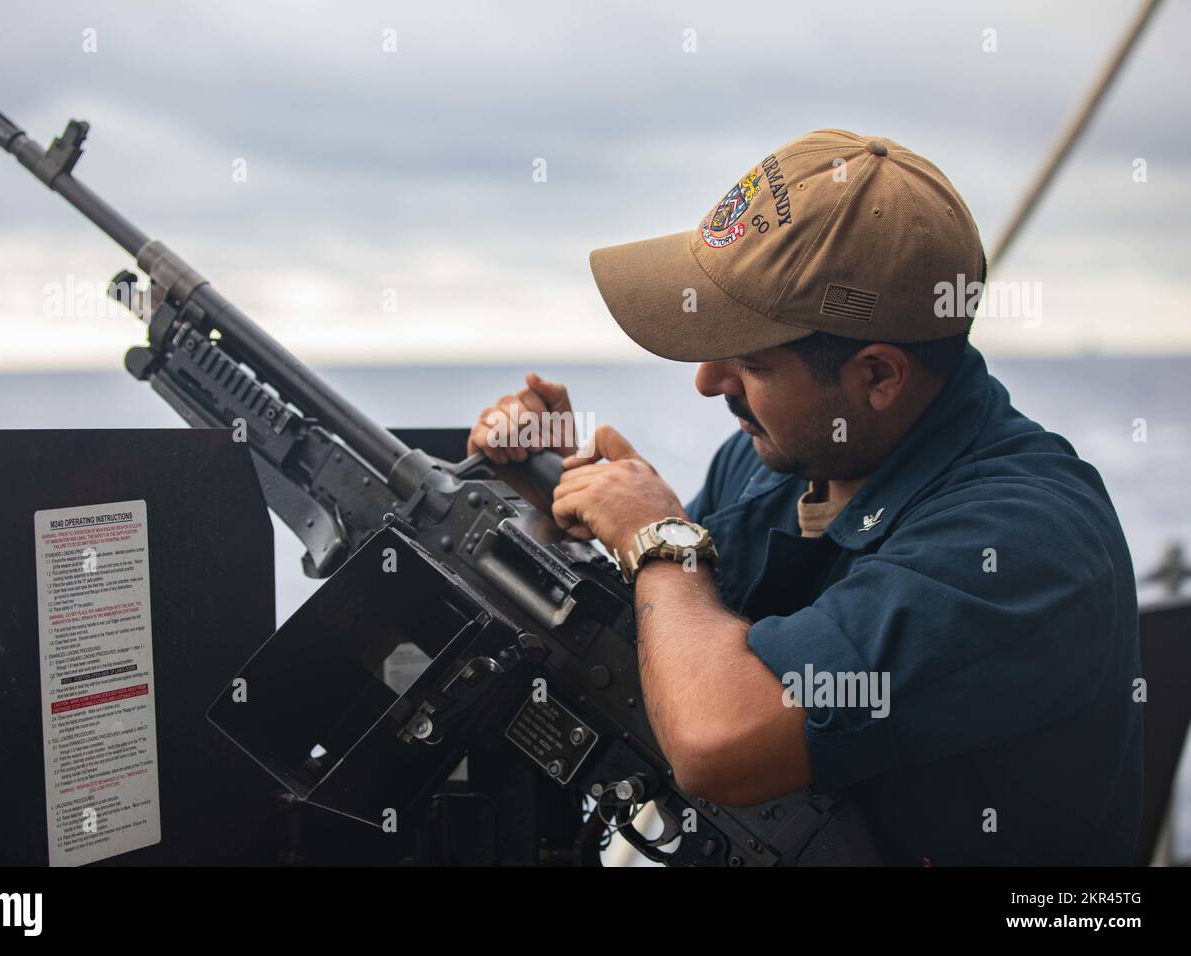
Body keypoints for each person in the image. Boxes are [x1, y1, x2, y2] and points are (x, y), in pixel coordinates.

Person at [467, 130, 1143, 865]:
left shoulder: (1023, 543)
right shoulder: (775, 460)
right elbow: (679, 647)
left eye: (748, 362)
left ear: (877, 378)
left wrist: (659, 537)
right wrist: (565, 503)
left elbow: (717, 740)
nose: (706, 381)